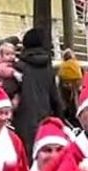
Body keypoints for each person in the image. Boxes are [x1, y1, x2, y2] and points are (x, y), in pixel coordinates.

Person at [14, 28, 64, 162]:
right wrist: (60, 122)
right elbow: (56, 98)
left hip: (21, 119)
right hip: (44, 119)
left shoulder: (19, 66)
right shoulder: (48, 67)